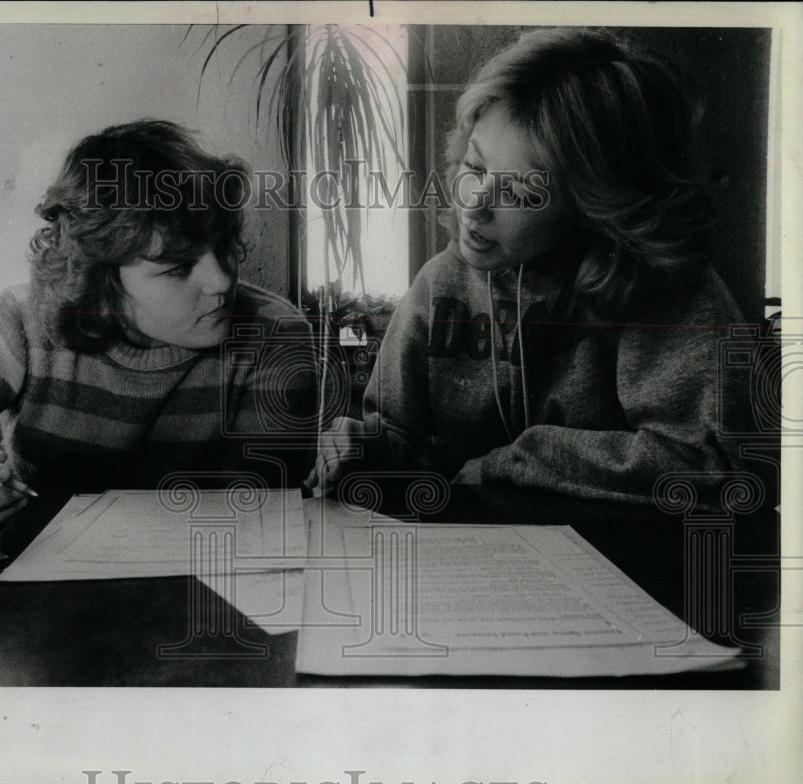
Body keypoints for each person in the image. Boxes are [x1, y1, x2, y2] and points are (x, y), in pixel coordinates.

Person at [306, 28, 749, 505]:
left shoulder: (665, 286)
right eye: (475, 169)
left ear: (592, 205)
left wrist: (517, 460)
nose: (473, 205)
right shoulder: (440, 284)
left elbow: (710, 465)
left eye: (519, 193)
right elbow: (402, 444)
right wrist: (365, 449)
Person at [0, 119, 317, 543]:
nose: (222, 281)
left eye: (224, 246)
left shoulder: (275, 336)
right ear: (98, 275)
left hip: (198, 611)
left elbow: (255, 524)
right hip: (27, 624)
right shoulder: (19, 323)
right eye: (177, 267)